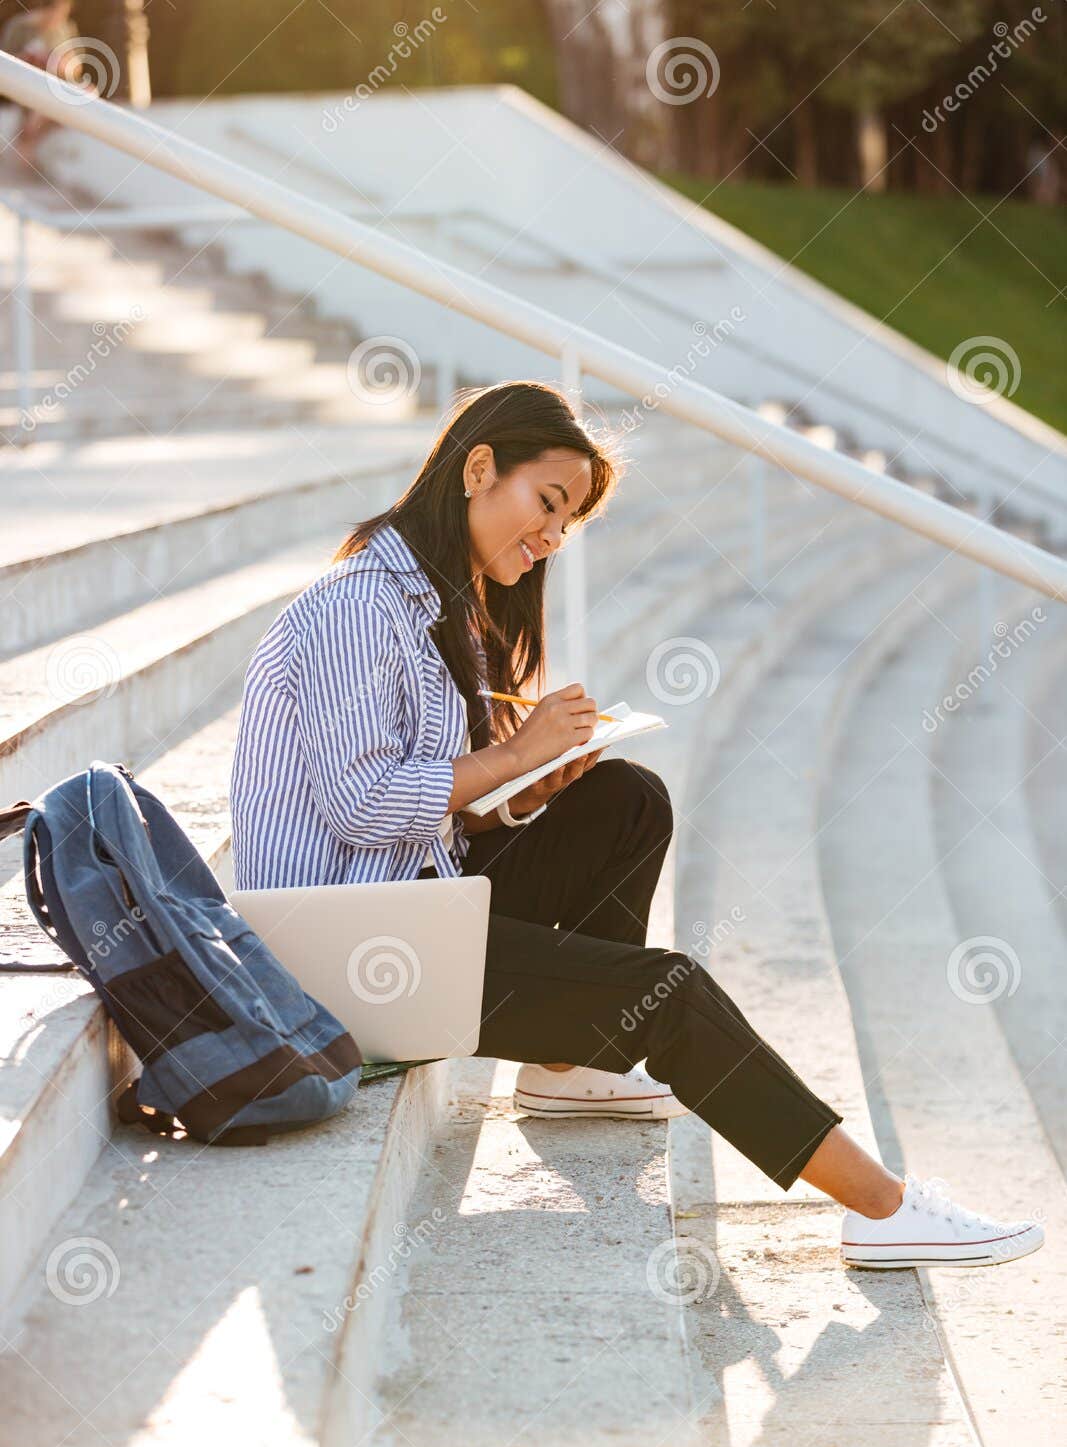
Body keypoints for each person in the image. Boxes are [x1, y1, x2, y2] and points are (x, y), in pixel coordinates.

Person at [230, 379, 1044, 1272]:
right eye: (546, 504)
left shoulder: (429, 602)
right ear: (476, 469)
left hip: (405, 908)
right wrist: (509, 755)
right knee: (669, 993)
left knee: (622, 798)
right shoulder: (358, 607)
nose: (549, 539)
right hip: (351, 960)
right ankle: (881, 1208)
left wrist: (527, 790)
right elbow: (360, 803)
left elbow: (413, 810)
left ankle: (566, 1067)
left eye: (567, 524)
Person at [0, 2, 88, 171]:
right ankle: (25, 149)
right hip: (30, 88)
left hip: (59, 87)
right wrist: (29, 59)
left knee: (86, 92)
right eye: (59, 11)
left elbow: (76, 67)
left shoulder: (65, 27)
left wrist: (61, 63)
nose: (61, 16)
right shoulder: (20, 26)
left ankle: (26, 144)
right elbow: (5, 65)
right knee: (42, 107)